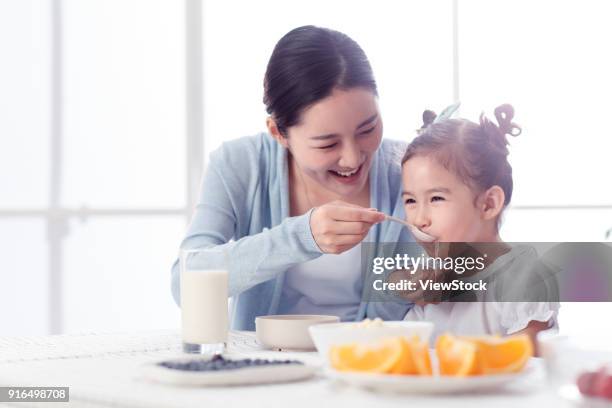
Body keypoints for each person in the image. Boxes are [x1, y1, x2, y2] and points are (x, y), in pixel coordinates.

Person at [170, 25, 414, 330]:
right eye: (327, 143)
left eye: (368, 129)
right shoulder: (241, 165)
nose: (353, 158)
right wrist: (302, 237)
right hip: (265, 365)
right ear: (278, 133)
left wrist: (444, 275)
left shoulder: (407, 168)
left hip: (371, 365)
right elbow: (185, 284)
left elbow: (483, 277)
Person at [399, 104, 559, 347]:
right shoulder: (431, 284)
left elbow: (527, 349)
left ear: (488, 204)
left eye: (436, 199)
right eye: (410, 201)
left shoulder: (524, 276)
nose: (419, 219)